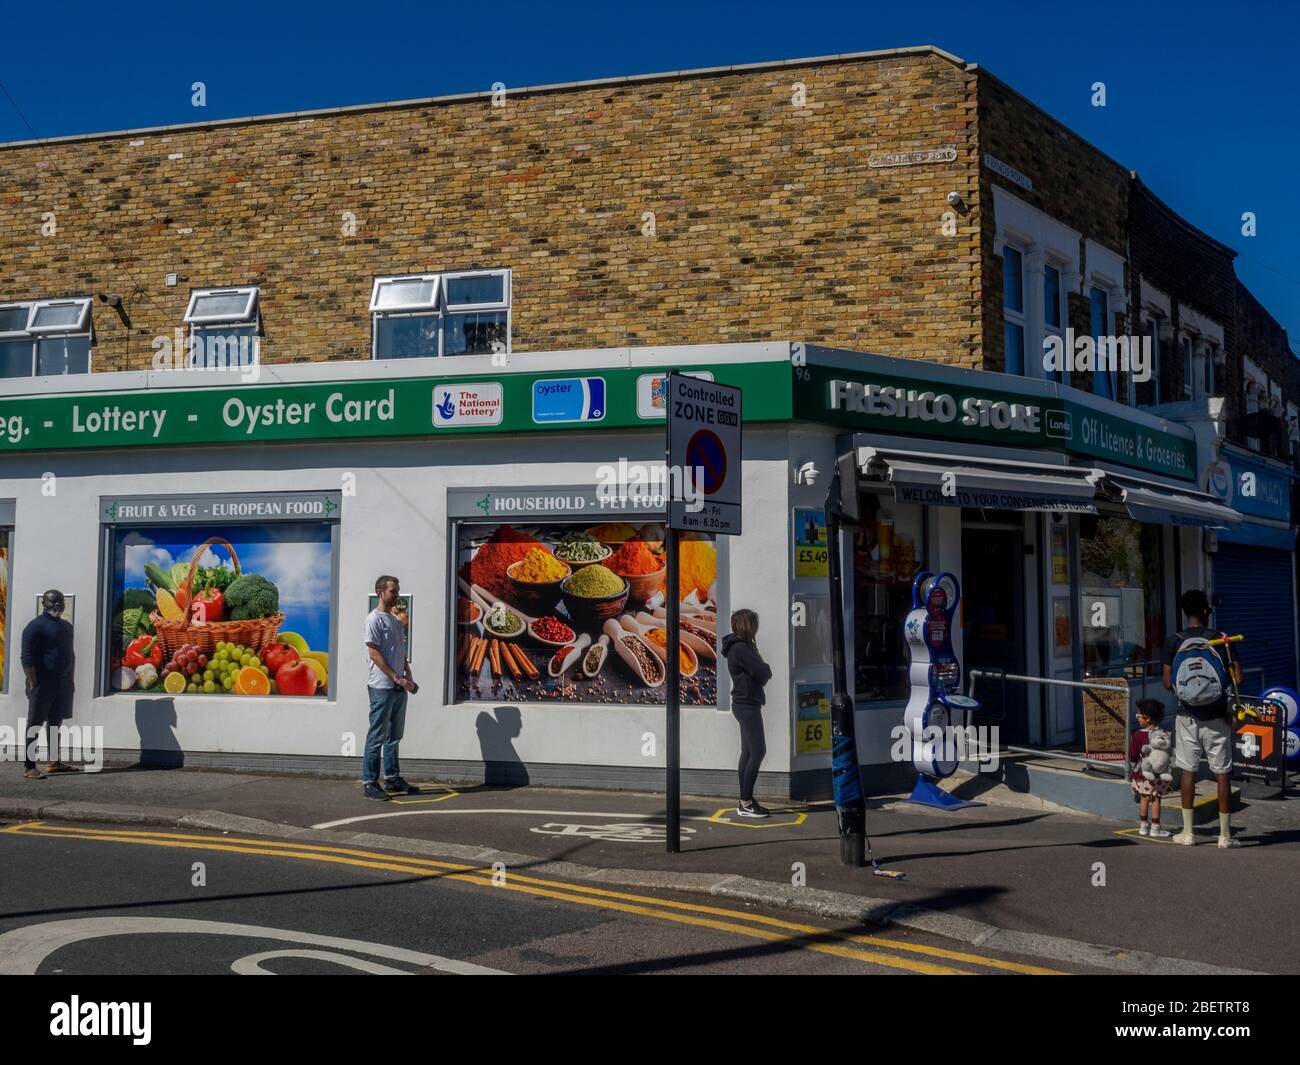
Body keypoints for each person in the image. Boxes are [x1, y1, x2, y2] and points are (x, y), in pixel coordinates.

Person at [1161, 589, 1241, 848]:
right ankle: (1225, 836)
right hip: (1218, 715)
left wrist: (1191, 691)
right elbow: (1238, 679)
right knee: (1222, 772)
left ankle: (1188, 833)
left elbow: (1166, 682)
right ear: (1207, 611)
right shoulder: (1222, 639)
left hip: (1186, 716)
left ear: (1186, 613)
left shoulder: (1173, 641)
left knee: (1188, 770)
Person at [362, 575, 419, 800]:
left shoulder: (395, 620)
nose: (396, 595)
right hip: (382, 686)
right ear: (380, 592)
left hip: (399, 686)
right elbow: (374, 653)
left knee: (394, 736)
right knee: (377, 735)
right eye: (393, 591)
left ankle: (393, 778)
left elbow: (400, 652)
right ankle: (370, 782)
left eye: (397, 591)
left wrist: (408, 675)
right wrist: (395, 677)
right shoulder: (373, 620)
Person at [721, 608, 772, 819]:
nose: (756, 628)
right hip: (747, 704)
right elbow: (763, 672)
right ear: (747, 626)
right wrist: (764, 668)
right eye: (754, 624)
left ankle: (745, 800)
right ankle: (746, 802)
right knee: (758, 751)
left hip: (744, 703)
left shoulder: (738, 647)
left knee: (748, 752)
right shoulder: (741, 648)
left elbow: (759, 672)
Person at [20, 589, 76, 780]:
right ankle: (29, 767)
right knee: (34, 724)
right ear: (44, 604)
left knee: (55, 724)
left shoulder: (67, 627)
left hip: (62, 683)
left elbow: (71, 655)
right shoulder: (35, 627)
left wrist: (71, 679)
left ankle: (54, 762)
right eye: (52, 602)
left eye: (60, 601)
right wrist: (34, 682)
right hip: (42, 683)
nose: (57, 604)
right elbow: (26, 658)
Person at [1128, 699, 1172, 838]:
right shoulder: (1162, 734)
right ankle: (1155, 827)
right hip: (1158, 774)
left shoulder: (1137, 735)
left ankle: (1143, 825)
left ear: (1147, 719)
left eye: (1138, 716)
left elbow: (1133, 755)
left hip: (1142, 773)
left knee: (1144, 798)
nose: (1137, 719)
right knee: (1156, 798)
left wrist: (1133, 766)